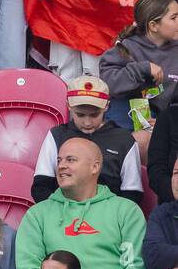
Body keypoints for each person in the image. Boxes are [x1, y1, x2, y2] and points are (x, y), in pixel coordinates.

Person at [15, 137, 148, 269]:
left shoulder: (125, 211)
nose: (61, 166)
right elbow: (27, 268)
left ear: (95, 166)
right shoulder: (37, 214)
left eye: (71, 160)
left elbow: (136, 268)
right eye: (59, 160)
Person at [34, 75, 143, 205]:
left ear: (106, 106)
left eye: (94, 115)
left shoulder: (124, 140)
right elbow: (40, 186)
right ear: (68, 106)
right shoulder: (56, 135)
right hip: (62, 214)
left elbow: (132, 193)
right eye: (80, 115)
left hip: (107, 218)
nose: (87, 122)